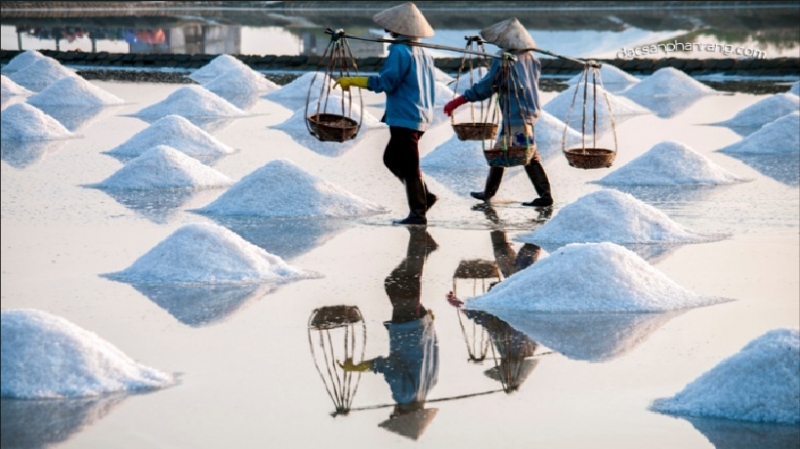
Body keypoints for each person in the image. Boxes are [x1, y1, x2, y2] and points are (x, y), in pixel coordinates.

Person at [334, 2, 438, 226]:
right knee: (391, 158)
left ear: (398, 29)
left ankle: (418, 213)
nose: (388, 31)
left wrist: (355, 81)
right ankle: (425, 197)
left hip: (406, 116)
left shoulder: (401, 50)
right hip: (419, 114)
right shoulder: (423, 51)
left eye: (390, 28)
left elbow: (387, 82)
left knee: (409, 165)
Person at [339, 227, 440, 439]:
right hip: (407, 327)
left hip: (419, 326)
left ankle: (426, 246)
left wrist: (429, 323)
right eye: (394, 415)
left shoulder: (429, 385)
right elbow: (391, 367)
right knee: (407, 280)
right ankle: (419, 234)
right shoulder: (404, 396)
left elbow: (433, 348)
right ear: (400, 414)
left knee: (394, 283)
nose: (392, 412)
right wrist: (361, 367)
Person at [444, 18, 554, 208]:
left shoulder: (505, 60)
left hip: (516, 114)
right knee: (506, 150)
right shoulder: (531, 58)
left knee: (523, 154)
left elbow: (487, 86)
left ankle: (545, 196)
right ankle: (490, 192)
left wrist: (460, 100)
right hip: (528, 112)